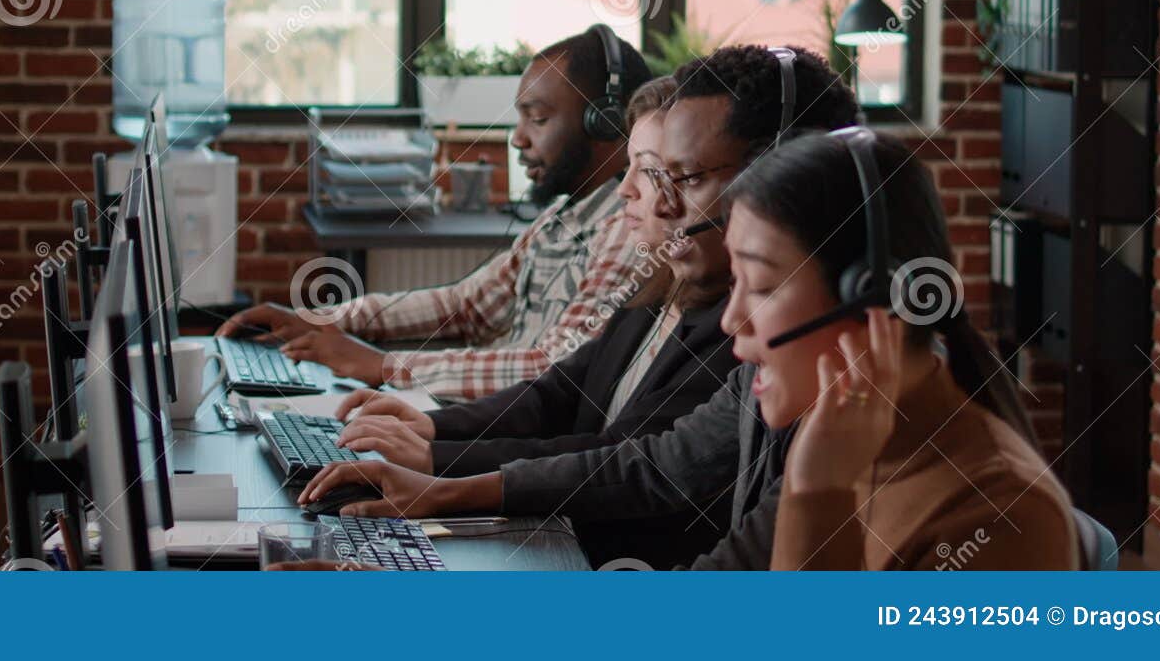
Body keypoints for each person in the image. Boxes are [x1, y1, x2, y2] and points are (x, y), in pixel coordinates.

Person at [298, 45, 861, 569]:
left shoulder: (872, 456)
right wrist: (434, 469)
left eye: (679, 176)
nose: (645, 196)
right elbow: (657, 462)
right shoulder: (785, 381)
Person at [331, 74, 740, 568]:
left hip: (601, 557)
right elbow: (557, 391)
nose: (628, 190)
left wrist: (442, 469)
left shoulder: (732, 329)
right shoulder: (655, 288)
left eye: (660, 173)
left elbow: (616, 454)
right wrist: (430, 429)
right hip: (558, 533)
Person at [216, 26, 655, 400]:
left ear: (607, 123)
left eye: (537, 119)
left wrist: (384, 366)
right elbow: (463, 306)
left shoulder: (627, 230)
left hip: (521, 444)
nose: (518, 139)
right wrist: (319, 322)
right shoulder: (563, 217)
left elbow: (551, 368)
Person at [721, 127, 1077, 569]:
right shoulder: (838, 436)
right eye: (734, 280)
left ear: (876, 296)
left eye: (760, 285)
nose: (730, 319)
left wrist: (819, 496)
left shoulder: (1002, 519)